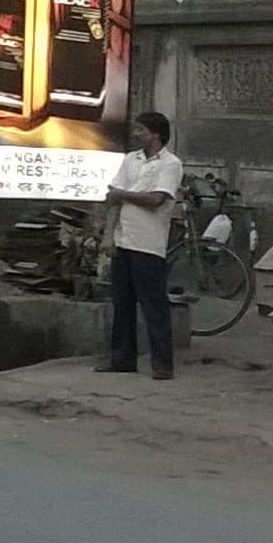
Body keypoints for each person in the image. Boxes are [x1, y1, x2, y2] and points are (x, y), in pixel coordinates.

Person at [97, 112, 184, 380]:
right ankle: (122, 359)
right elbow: (113, 202)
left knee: (153, 305)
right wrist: (108, 236)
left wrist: (122, 194)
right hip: (124, 240)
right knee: (122, 303)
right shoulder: (130, 160)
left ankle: (162, 364)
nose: (136, 134)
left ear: (155, 134)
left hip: (149, 243)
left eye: (141, 130)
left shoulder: (170, 164)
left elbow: (156, 199)